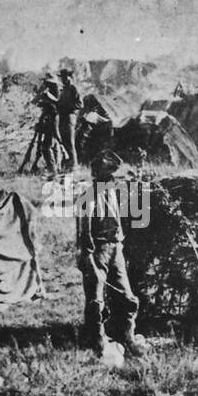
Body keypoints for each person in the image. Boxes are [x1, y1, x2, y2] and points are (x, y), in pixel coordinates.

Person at [76, 148, 145, 357]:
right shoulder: (87, 195)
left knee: (127, 297)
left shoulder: (113, 192)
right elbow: (83, 230)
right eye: (109, 175)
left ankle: (127, 336)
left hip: (117, 248)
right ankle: (96, 341)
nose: (114, 179)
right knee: (96, 298)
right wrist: (87, 256)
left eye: (113, 176)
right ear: (99, 174)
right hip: (98, 249)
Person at [32, 74, 61, 175]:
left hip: (53, 118)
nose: (45, 84)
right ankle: (57, 167)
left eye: (47, 82)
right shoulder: (50, 89)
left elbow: (57, 103)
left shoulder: (56, 90)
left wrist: (47, 96)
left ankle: (53, 169)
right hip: (49, 117)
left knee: (47, 146)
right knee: (53, 144)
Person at [56, 67, 82, 169]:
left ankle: (74, 166)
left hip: (70, 117)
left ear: (69, 77)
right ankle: (67, 164)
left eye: (65, 77)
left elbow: (79, 104)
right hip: (62, 117)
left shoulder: (73, 88)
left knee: (70, 143)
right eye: (62, 77)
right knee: (64, 142)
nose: (63, 79)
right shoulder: (64, 89)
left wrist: (66, 107)